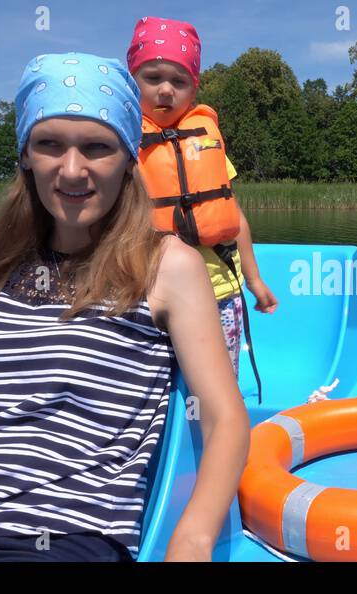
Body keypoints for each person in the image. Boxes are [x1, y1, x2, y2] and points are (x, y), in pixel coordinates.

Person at [0, 52, 249, 562]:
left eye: (97, 147)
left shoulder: (167, 266)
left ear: (128, 158)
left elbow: (223, 416)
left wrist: (191, 540)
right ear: (25, 155)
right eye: (50, 144)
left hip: (61, 538)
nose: (72, 169)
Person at [127, 16, 277, 393]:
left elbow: (233, 214)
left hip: (221, 292)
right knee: (156, 380)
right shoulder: (125, 147)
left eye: (179, 81)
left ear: (193, 89)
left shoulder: (205, 139)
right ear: (132, 82)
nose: (166, 90)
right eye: (153, 77)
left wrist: (255, 279)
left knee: (219, 381)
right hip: (152, 292)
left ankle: (220, 437)